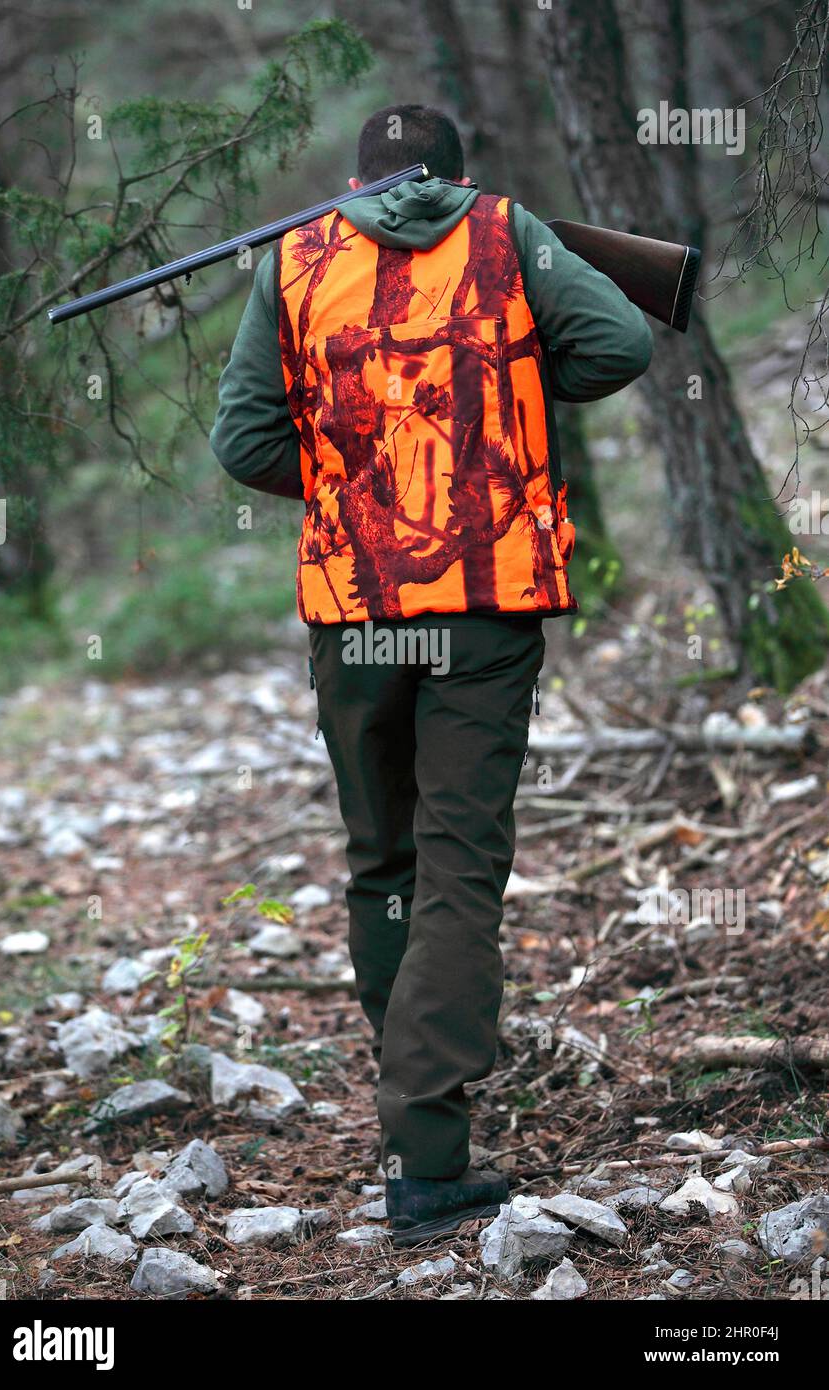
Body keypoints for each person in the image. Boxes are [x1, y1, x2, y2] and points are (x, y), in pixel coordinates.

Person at [211, 104, 652, 1245]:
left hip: (354, 617)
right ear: (454, 178)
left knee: (385, 866)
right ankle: (426, 1151)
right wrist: (492, 414)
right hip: (484, 608)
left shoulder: (295, 259)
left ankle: (411, 1125)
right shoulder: (509, 234)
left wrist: (356, 485)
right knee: (458, 871)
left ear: (358, 183)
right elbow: (619, 346)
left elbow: (245, 439)